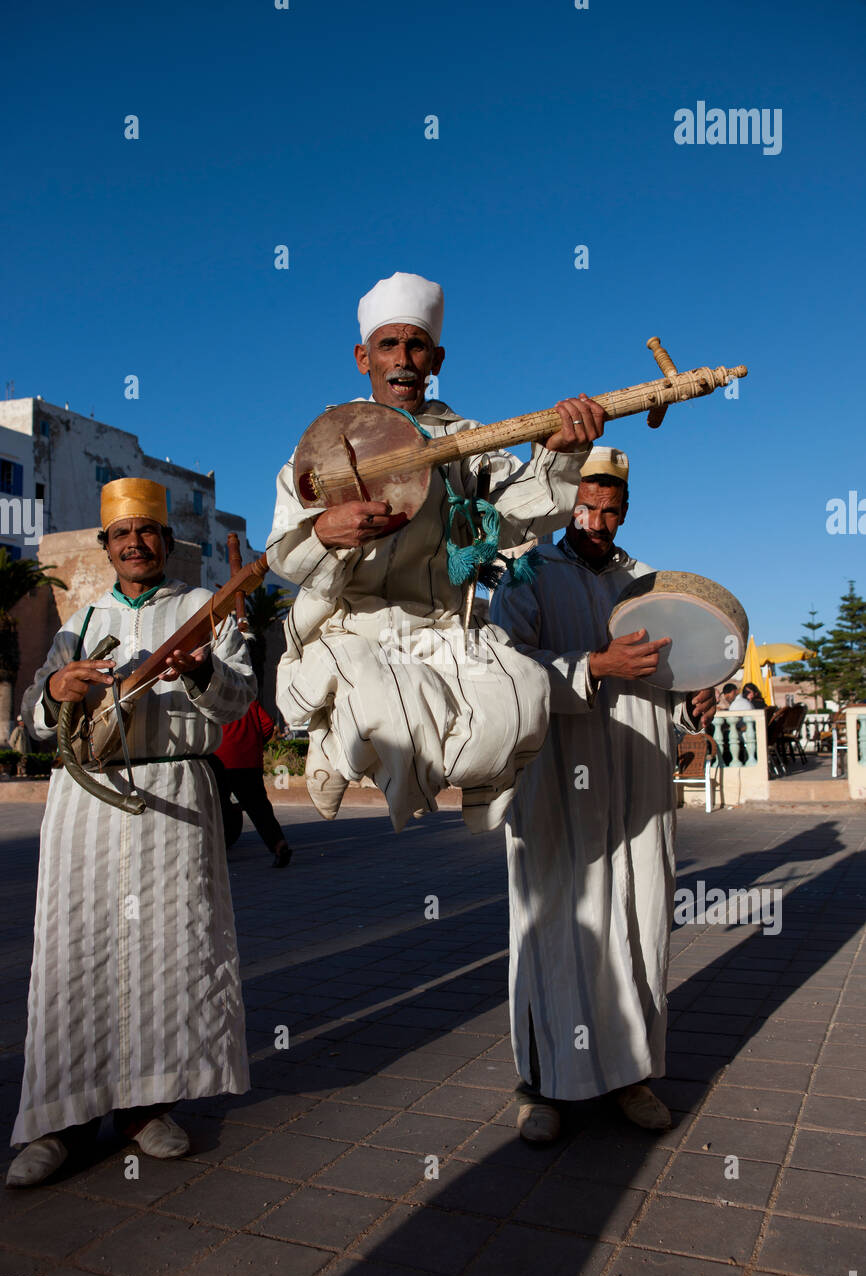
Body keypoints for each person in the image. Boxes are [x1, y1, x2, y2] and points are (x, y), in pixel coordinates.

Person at [267, 271, 606, 833]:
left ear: (436, 357)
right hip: (358, 629)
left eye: (416, 345)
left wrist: (563, 457)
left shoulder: (465, 440)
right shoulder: (326, 442)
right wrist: (328, 532)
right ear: (362, 357)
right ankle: (332, 747)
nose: (403, 358)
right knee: (397, 717)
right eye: (388, 344)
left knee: (526, 695)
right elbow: (284, 551)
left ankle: (481, 778)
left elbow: (525, 513)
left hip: (448, 629)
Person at [6, 478, 256, 1188]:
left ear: (166, 544)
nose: (136, 544)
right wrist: (55, 693)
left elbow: (242, 695)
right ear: (108, 547)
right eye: (123, 535)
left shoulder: (207, 612)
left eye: (148, 532)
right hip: (85, 803)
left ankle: (147, 1107)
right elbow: (31, 722)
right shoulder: (77, 625)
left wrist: (205, 668)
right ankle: (59, 1121)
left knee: (170, 953)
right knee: (74, 955)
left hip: (175, 790)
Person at [490, 448, 716, 1142]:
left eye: (609, 508)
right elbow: (502, 668)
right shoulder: (525, 573)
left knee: (643, 918)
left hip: (638, 782)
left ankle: (632, 1073)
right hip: (555, 783)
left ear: (624, 510)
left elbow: (673, 673)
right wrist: (593, 665)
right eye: (584, 505)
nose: (596, 520)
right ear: (565, 503)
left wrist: (694, 698)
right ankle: (540, 1084)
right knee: (553, 924)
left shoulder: (647, 585)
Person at [211, 699, 292, 867]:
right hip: (250, 761)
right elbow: (268, 724)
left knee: (218, 808)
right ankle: (278, 844)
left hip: (220, 759)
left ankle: (219, 852)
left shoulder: (213, 698)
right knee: (260, 808)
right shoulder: (247, 699)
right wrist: (255, 743)